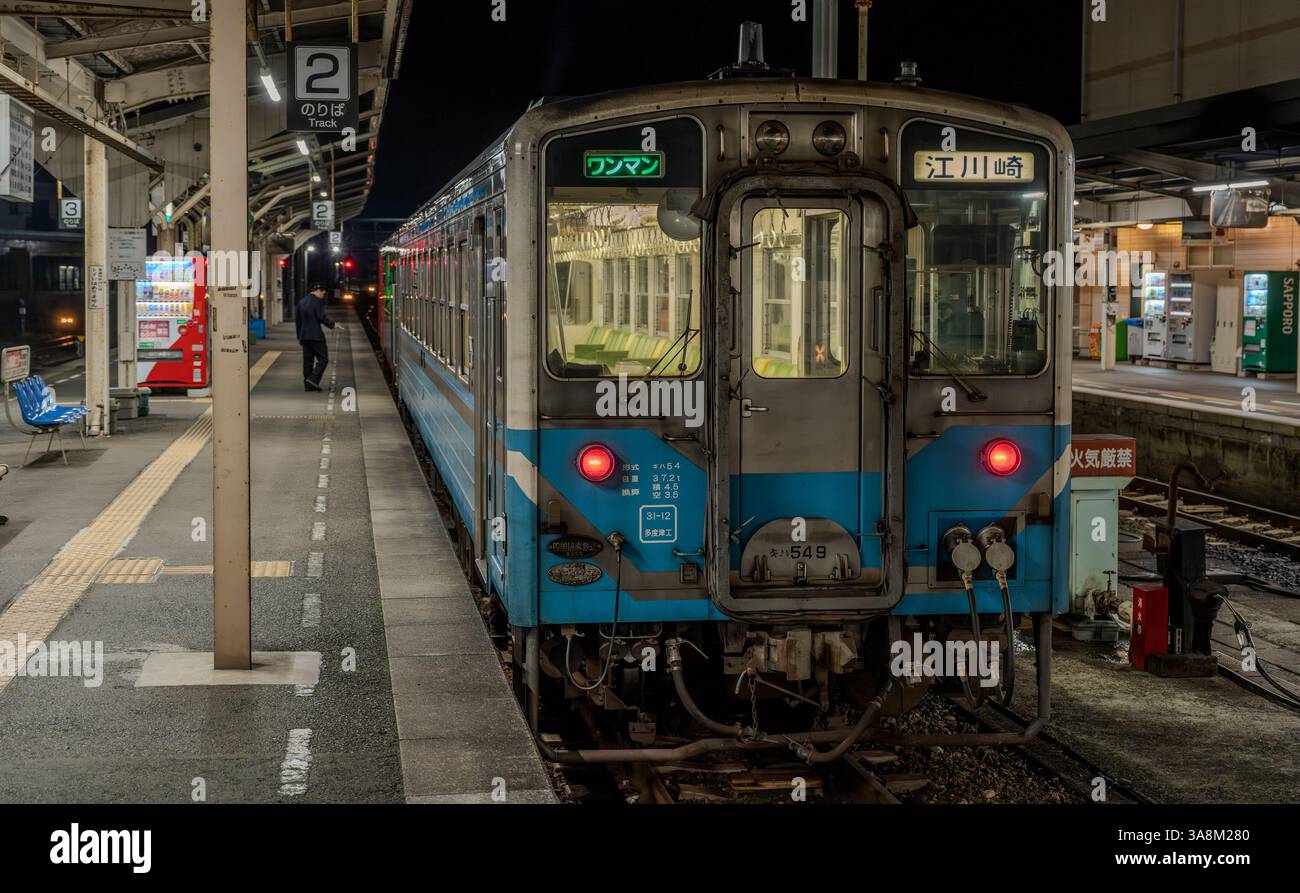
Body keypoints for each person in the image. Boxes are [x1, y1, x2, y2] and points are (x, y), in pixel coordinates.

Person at [296, 284, 340, 391]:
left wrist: (299, 337)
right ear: (318, 291)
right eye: (323, 294)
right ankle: (313, 379)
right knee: (323, 359)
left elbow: (298, 322)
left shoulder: (301, 302)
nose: (323, 296)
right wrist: (333, 324)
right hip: (316, 336)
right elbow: (321, 317)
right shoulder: (317, 302)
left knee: (308, 361)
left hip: (304, 336)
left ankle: (308, 386)